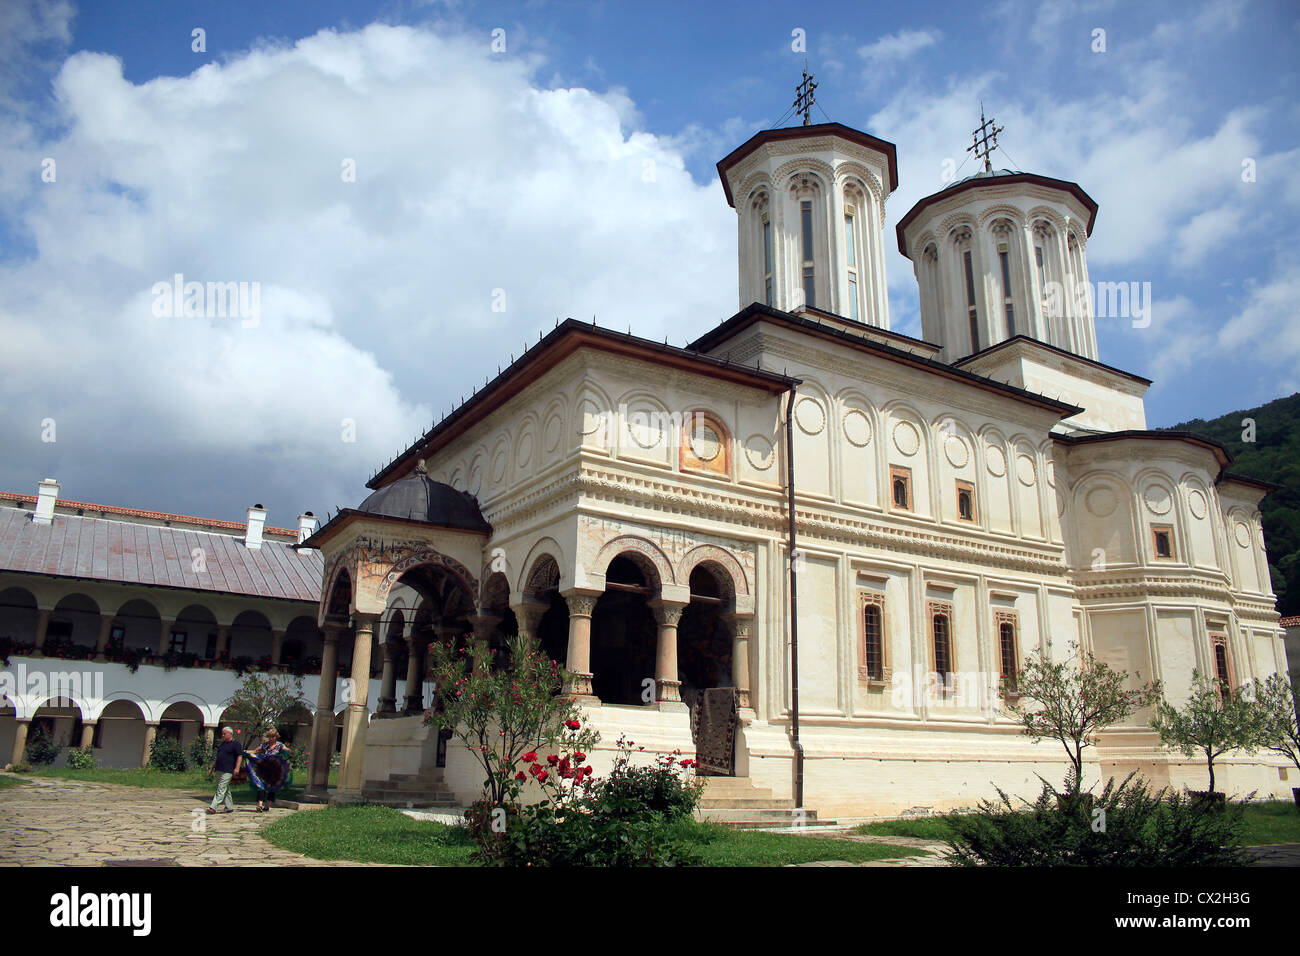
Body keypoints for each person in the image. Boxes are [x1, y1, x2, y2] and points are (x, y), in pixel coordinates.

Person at [245, 728, 291, 812]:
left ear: (276, 737)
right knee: (261, 785)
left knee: (272, 787)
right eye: (269, 736)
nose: (271, 738)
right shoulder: (264, 745)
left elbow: (285, 749)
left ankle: (267, 805)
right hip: (264, 769)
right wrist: (245, 752)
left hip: (274, 770)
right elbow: (255, 751)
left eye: (273, 737)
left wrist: (287, 750)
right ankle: (260, 805)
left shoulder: (280, 745)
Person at [207, 727, 244, 814]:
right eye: (222, 734)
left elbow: (239, 756)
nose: (223, 735)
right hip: (219, 769)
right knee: (225, 789)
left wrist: (237, 768)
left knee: (221, 788)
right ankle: (229, 807)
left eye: (225, 734)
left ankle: (213, 807)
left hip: (228, 770)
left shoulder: (236, 744)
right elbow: (218, 757)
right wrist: (212, 768)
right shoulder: (222, 744)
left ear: (230, 734)